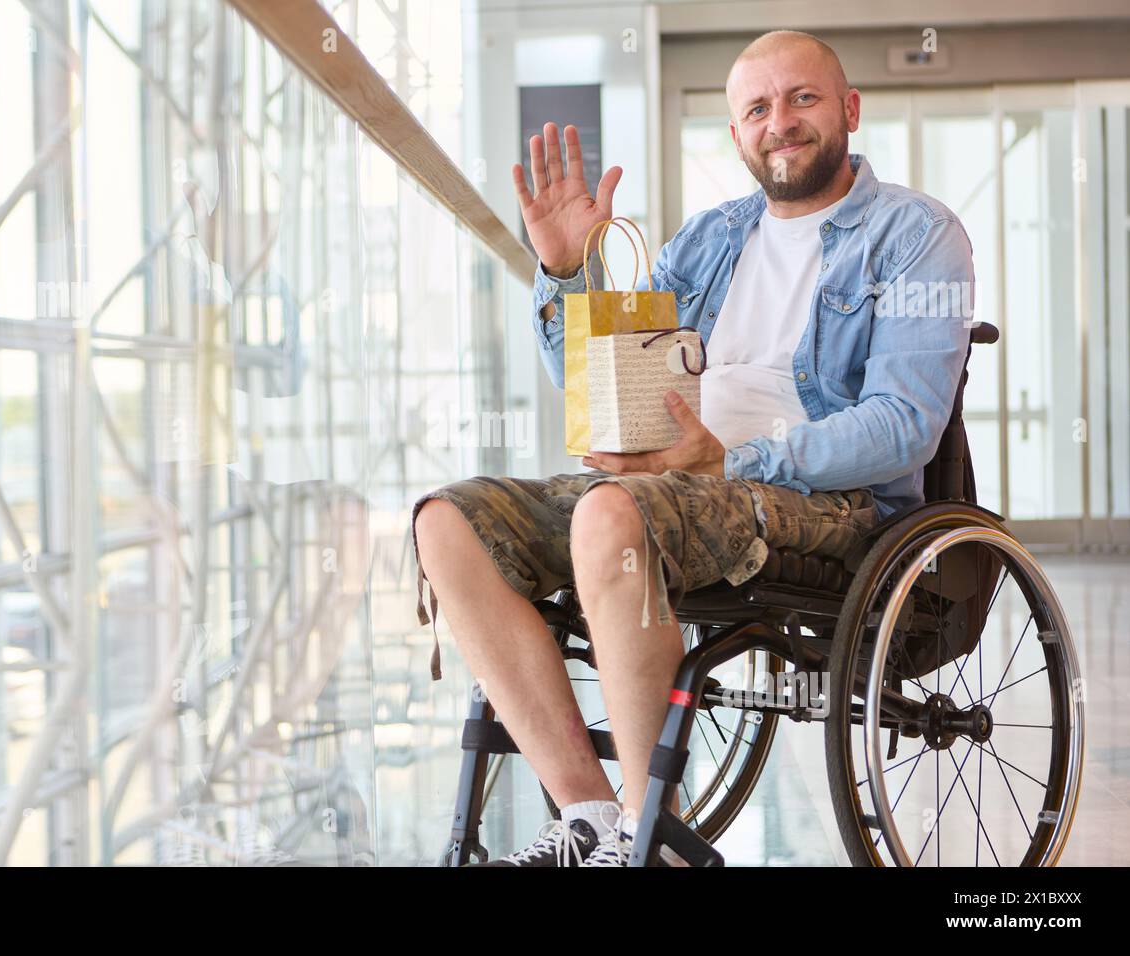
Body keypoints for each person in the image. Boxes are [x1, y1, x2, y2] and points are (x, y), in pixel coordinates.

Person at [411, 29, 975, 866]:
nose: (779, 122)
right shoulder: (711, 239)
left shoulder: (915, 234)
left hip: (830, 503)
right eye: (757, 108)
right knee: (448, 522)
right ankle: (592, 819)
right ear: (739, 133)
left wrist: (733, 460)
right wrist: (569, 276)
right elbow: (605, 382)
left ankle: (654, 839)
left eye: (802, 98)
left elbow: (904, 426)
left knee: (609, 516)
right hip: (669, 486)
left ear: (850, 110)